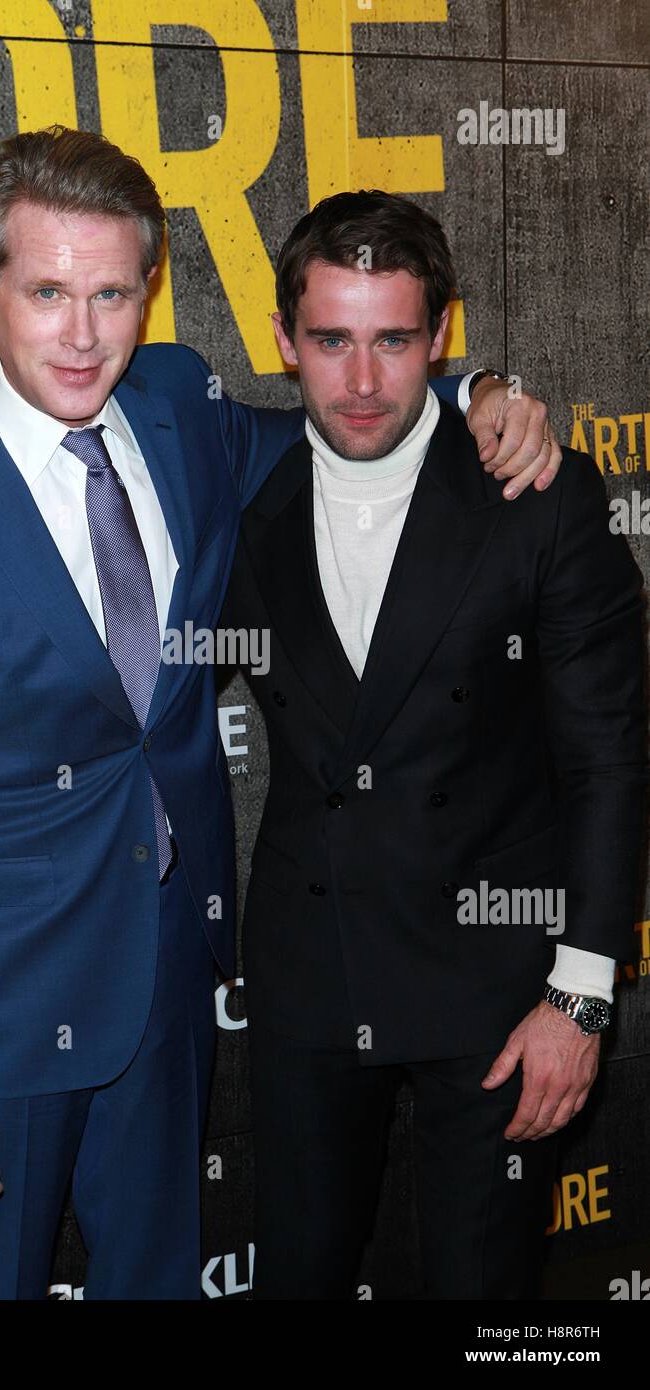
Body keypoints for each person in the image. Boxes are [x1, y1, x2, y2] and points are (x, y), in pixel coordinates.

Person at [0, 128, 558, 1301]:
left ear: (148, 291)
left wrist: (476, 386)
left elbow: (341, 410)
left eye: (112, 293)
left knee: (156, 1280)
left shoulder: (173, 404)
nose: (84, 333)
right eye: (47, 292)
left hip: (166, 975)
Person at [221, 189, 647, 1300]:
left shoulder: (534, 491)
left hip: (499, 990)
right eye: (332, 340)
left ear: (442, 336)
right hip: (314, 975)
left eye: (396, 340)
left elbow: (608, 753)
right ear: (283, 341)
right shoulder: (240, 492)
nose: (362, 381)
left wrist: (582, 993)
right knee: (300, 1281)